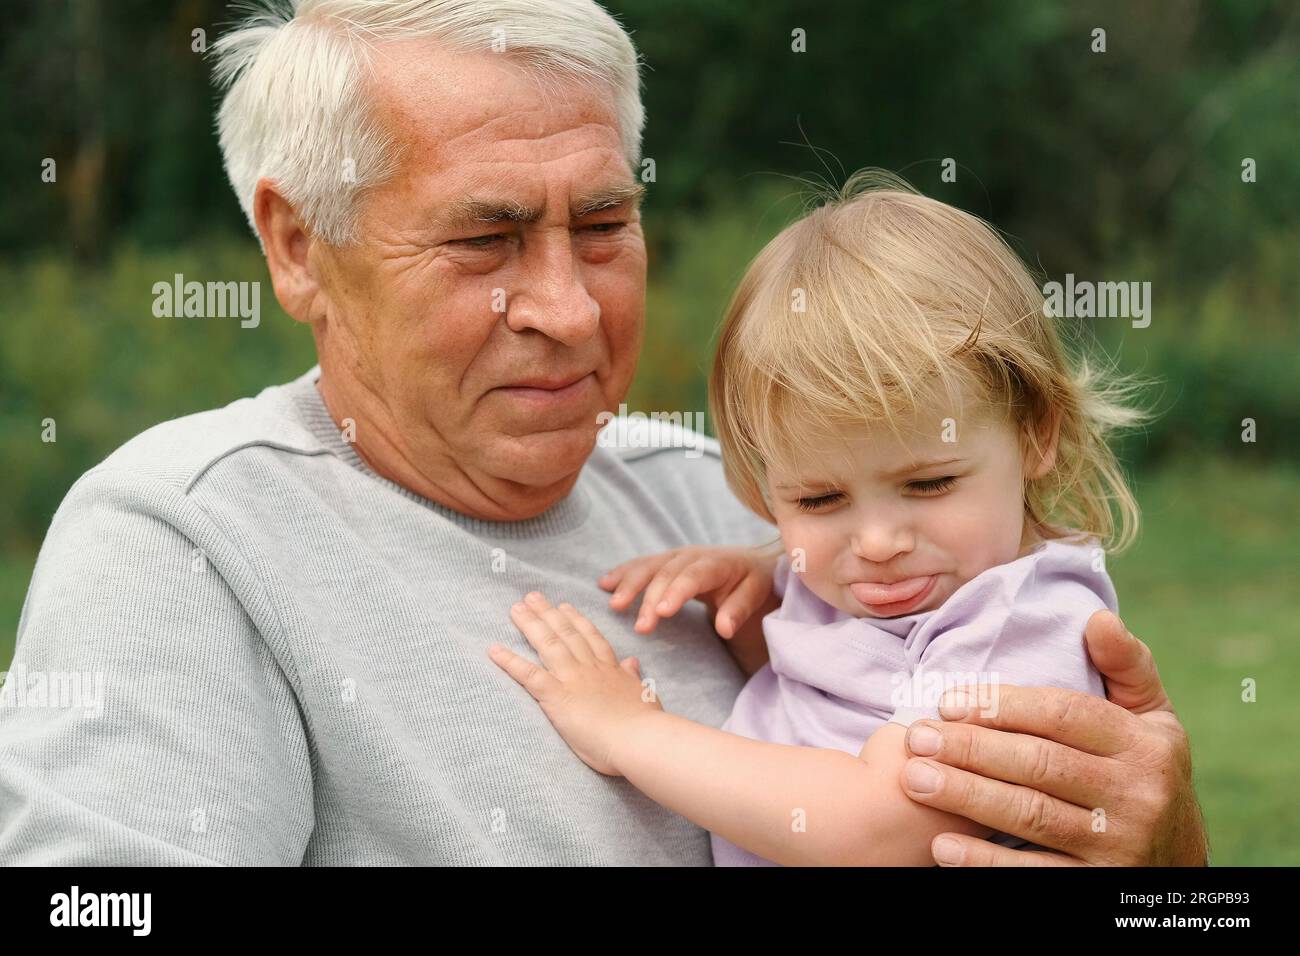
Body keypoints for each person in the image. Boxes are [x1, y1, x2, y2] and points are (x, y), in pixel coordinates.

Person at [0, 0, 1207, 866]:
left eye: (602, 222)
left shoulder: (745, 500)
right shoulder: (182, 535)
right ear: (299, 246)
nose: (570, 308)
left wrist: (1166, 864)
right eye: (485, 238)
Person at [490, 176, 1160, 865]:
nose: (876, 544)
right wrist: (769, 600)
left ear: (1035, 434)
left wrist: (629, 731)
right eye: (818, 501)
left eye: (928, 483)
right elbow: (828, 712)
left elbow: (874, 829)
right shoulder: (876, 597)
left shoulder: (1018, 625)